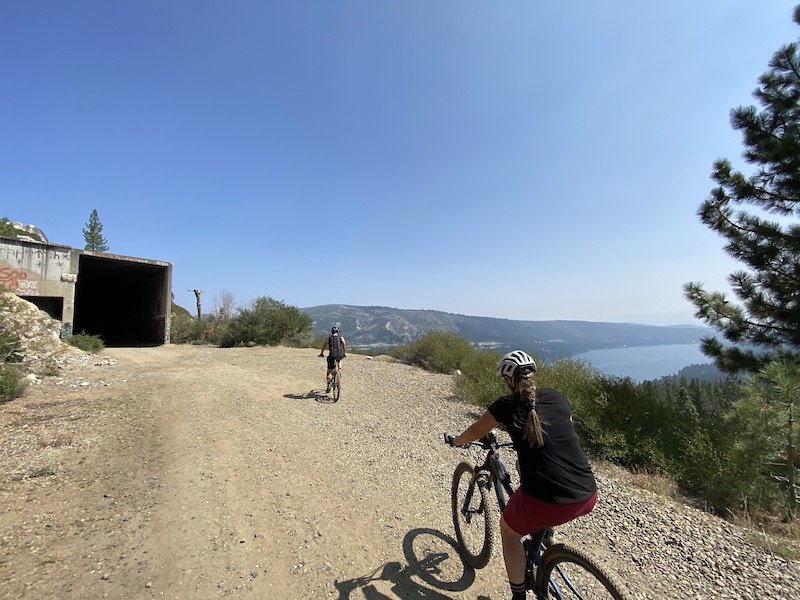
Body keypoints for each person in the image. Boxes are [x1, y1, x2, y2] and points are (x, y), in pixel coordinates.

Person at [447, 350, 597, 600]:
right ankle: (545, 535)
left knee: (508, 531)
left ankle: (518, 596)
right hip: (587, 493)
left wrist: (456, 441)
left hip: (548, 503)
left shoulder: (505, 406)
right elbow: (556, 437)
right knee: (524, 473)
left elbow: (475, 430)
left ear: (508, 380)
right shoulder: (557, 398)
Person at [318, 326, 346, 393]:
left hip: (332, 355)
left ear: (332, 332)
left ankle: (328, 385)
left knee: (329, 371)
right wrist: (344, 353)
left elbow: (324, 345)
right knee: (340, 358)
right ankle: (339, 368)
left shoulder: (328, 338)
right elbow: (344, 345)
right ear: (338, 332)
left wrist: (322, 352)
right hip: (339, 354)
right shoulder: (341, 338)